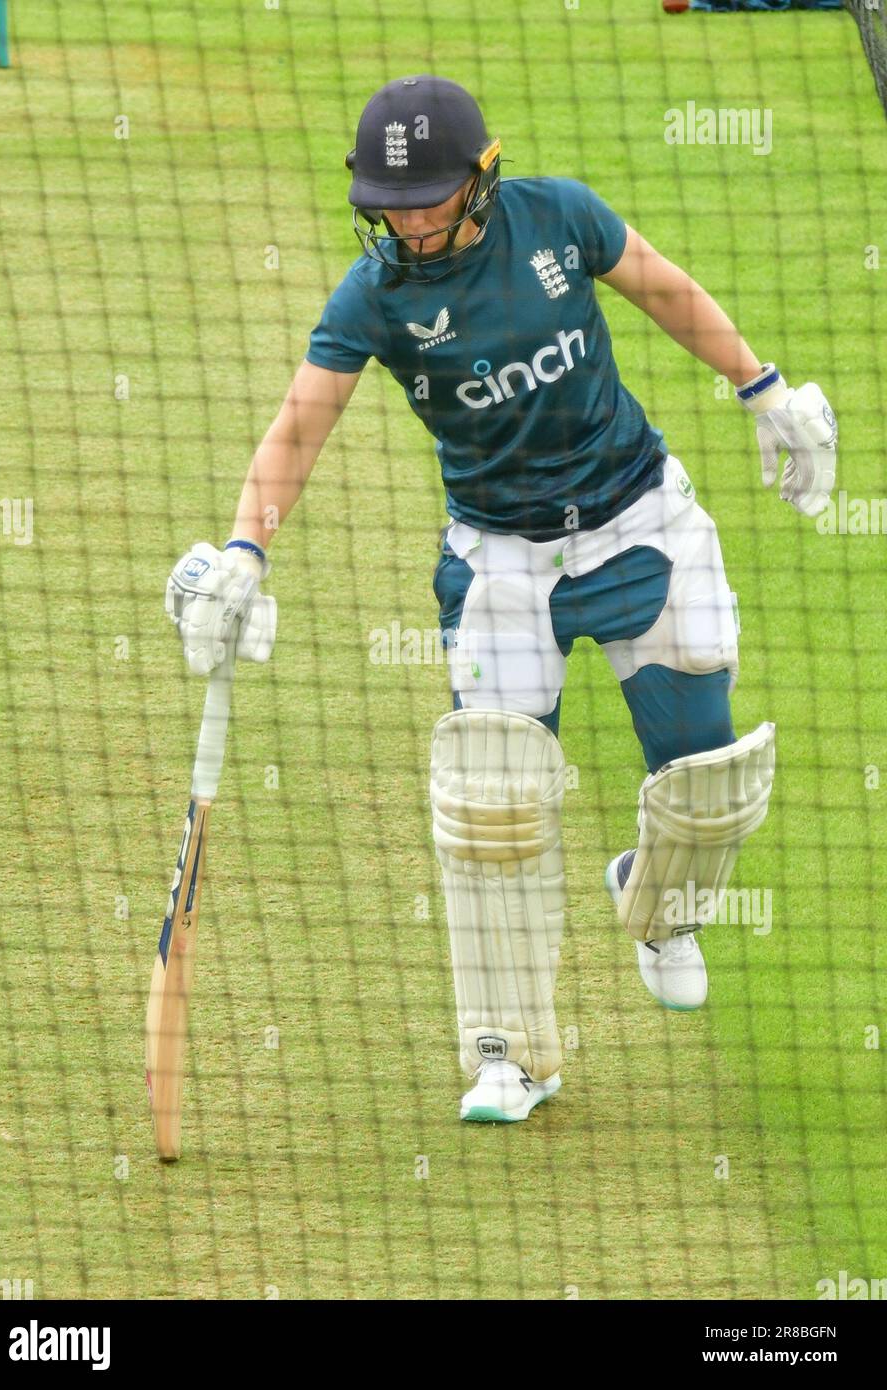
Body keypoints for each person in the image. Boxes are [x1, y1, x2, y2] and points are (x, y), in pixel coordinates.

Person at [165, 76, 837, 1124]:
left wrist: (764, 388)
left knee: (709, 776)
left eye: (431, 197)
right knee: (493, 808)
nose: (412, 219)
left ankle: (658, 904)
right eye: (392, 201)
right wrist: (248, 548)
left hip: (638, 522)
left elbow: (660, 286)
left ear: (484, 175)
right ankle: (508, 1053)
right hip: (498, 561)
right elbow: (299, 427)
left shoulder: (559, 217)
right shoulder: (373, 296)